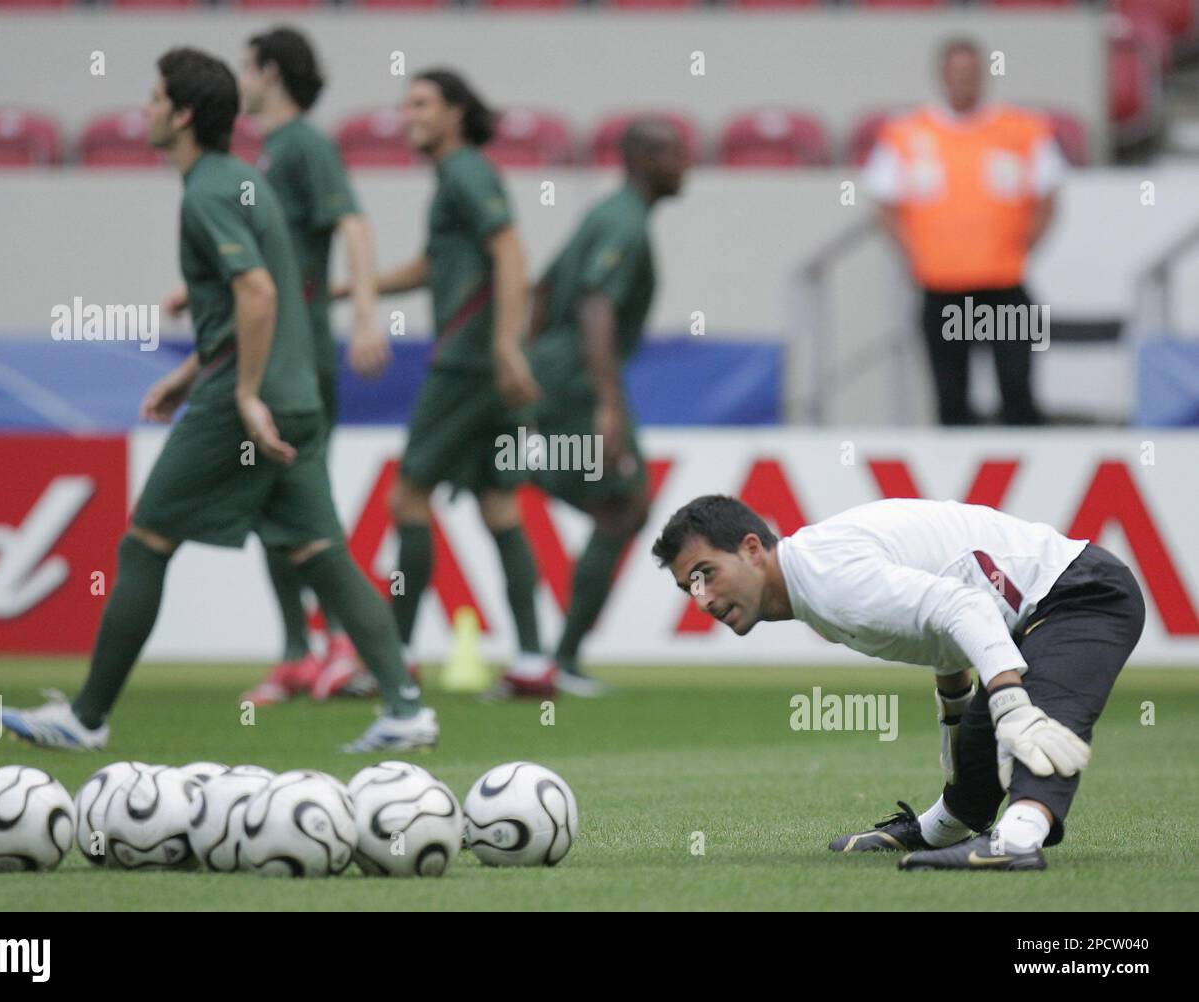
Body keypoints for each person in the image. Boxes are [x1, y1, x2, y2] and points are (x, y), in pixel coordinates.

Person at [2, 48, 435, 754]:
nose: (142, 109)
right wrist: (193, 371)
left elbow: (258, 294)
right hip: (296, 397)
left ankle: (85, 718)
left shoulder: (208, 189)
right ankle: (407, 708)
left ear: (182, 114)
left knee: (144, 542)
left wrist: (237, 392)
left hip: (249, 402)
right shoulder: (241, 180)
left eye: (153, 97)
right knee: (324, 553)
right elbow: (254, 296)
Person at [651, 494, 1145, 870]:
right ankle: (941, 830)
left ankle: (1018, 839)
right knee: (977, 745)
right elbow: (943, 618)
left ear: (751, 549)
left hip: (1083, 595)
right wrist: (957, 711)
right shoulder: (811, 579)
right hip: (1036, 610)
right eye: (688, 586)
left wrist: (1013, 705)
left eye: (706, 573)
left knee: (1034, 722)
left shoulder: (827, 580)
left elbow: (966, 606)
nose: (701, 599)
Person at [344, 69, 548, 689]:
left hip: (467, 365)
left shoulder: (466, 172)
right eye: (404, 104)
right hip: (487, 366)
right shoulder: (454, 179)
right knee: (500, 506)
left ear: (457, 110)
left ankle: (395, 660)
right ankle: (535, 663)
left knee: (407, 497)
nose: (408, 115)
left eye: (422, 104)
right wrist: (353, 289)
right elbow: (433, 267)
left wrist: (506, 344)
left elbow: (511, 253)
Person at [224, 25, 388, 706]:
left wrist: (367, 313)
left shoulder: (307, 145)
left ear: (272, 72)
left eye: (247, 67)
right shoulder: (272, 150)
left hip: (301, 359)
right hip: (271, 352)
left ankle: (347, 648)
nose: (240, 80)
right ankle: (299, 650)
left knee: (303, 499)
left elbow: (352, 223)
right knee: (271, 498)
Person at [519, 119, 687, 698]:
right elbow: (595, 307)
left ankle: (561, 657)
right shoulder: (623, 222)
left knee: (623, 507)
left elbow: (543, 286)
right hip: (576, 379)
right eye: (672, 151)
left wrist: (523, 360)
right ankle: (560, 659)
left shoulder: (610, 214)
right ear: (641, 159)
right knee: (625, 506)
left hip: (558, 371)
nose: (684, 162)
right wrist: (608, 404)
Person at [863, 37, 1065, 426]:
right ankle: (952, 481)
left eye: (971, 73)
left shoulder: (1020, 129)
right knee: (951, 396)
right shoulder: (908, 133)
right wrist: (915, 254)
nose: (963, 82)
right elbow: (885, 202)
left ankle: (1027, 473)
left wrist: (1019, 247)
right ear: (941, 76)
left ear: (984, 76)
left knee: (1017, 386)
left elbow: (1048, 198)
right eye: (956, 74)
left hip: (1004, 286)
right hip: (942, 289)